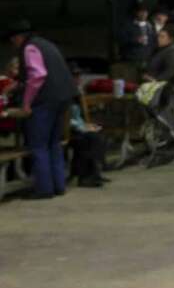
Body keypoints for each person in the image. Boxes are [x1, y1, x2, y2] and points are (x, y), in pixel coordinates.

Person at [2, 19, 78, 199]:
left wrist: (26, 103)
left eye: (13, 40)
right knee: (53, 143)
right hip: (63, 98)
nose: (13, 44)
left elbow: (38, 75)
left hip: (45, 101)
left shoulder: (29, 48)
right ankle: (58, 185)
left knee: (38, 145)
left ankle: (44, 188)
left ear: (19, 38)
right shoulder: (47, 44)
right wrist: (18, 85)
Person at [66, 64, 108, 188]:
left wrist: (87, 125)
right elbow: (65, 118)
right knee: (89, 139)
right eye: (74, 76)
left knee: (98, 135)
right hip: (67, 129)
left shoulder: (78, 92)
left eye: (79, 75)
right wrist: (82, 127)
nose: (78, 78)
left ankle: (96, 173)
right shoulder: (65, 93)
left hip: (78, 126)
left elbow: (80, 116)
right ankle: (85, 177)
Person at [118, 3, 154, 68]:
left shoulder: (150, 25)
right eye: (141, 12)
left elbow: (153, 41)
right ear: (136, 12)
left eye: (145, 12)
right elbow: (121, 40)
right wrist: (136, 40)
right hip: (131, 60)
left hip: (147, 59)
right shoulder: (127, 25)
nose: (144, 14)